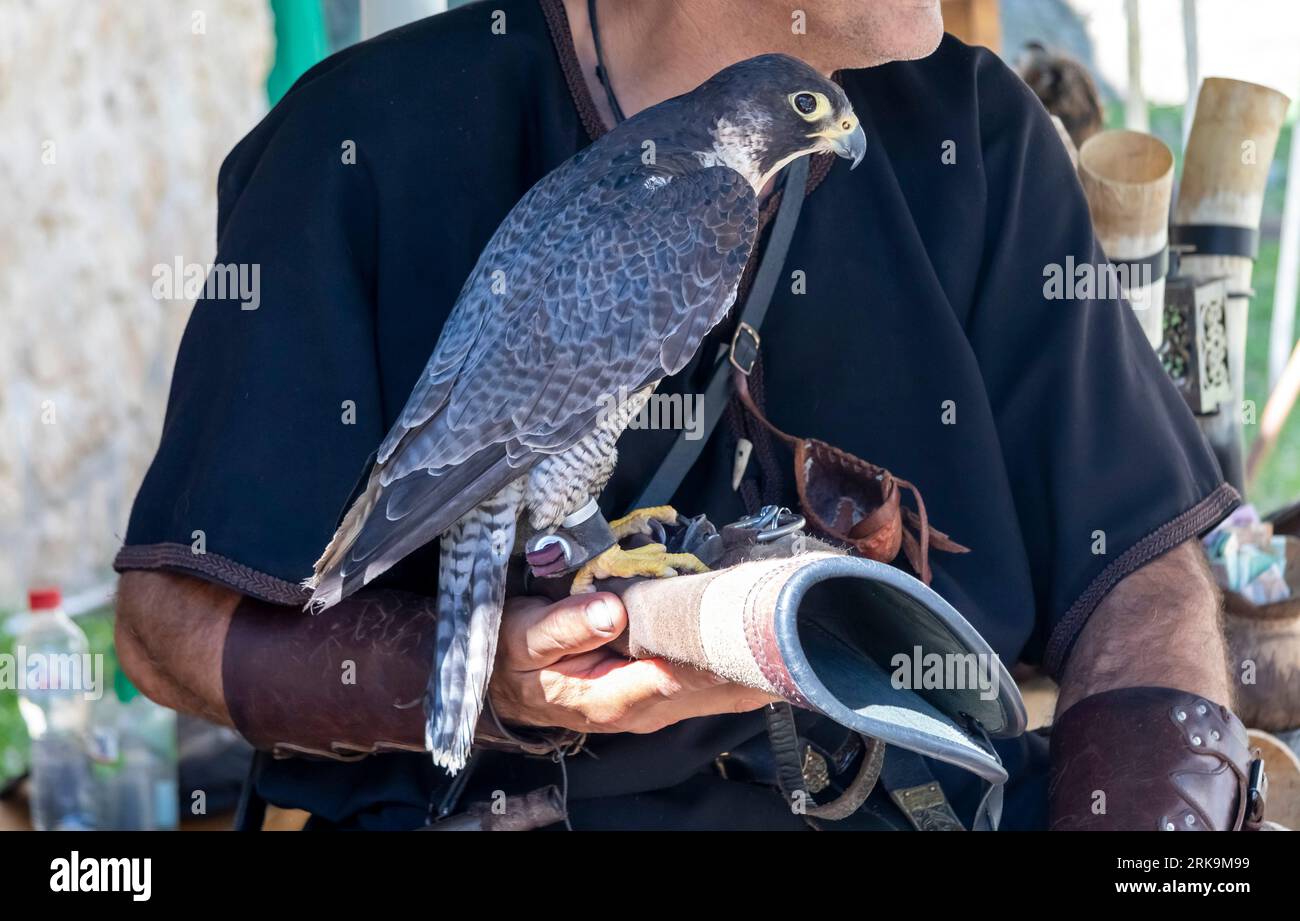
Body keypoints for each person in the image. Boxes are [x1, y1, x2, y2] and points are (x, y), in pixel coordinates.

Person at [114, 0, 1239, 830]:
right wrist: (486, 678)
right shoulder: (362, 139)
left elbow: (1137, 568)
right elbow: (169, 626)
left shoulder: (978, 135)